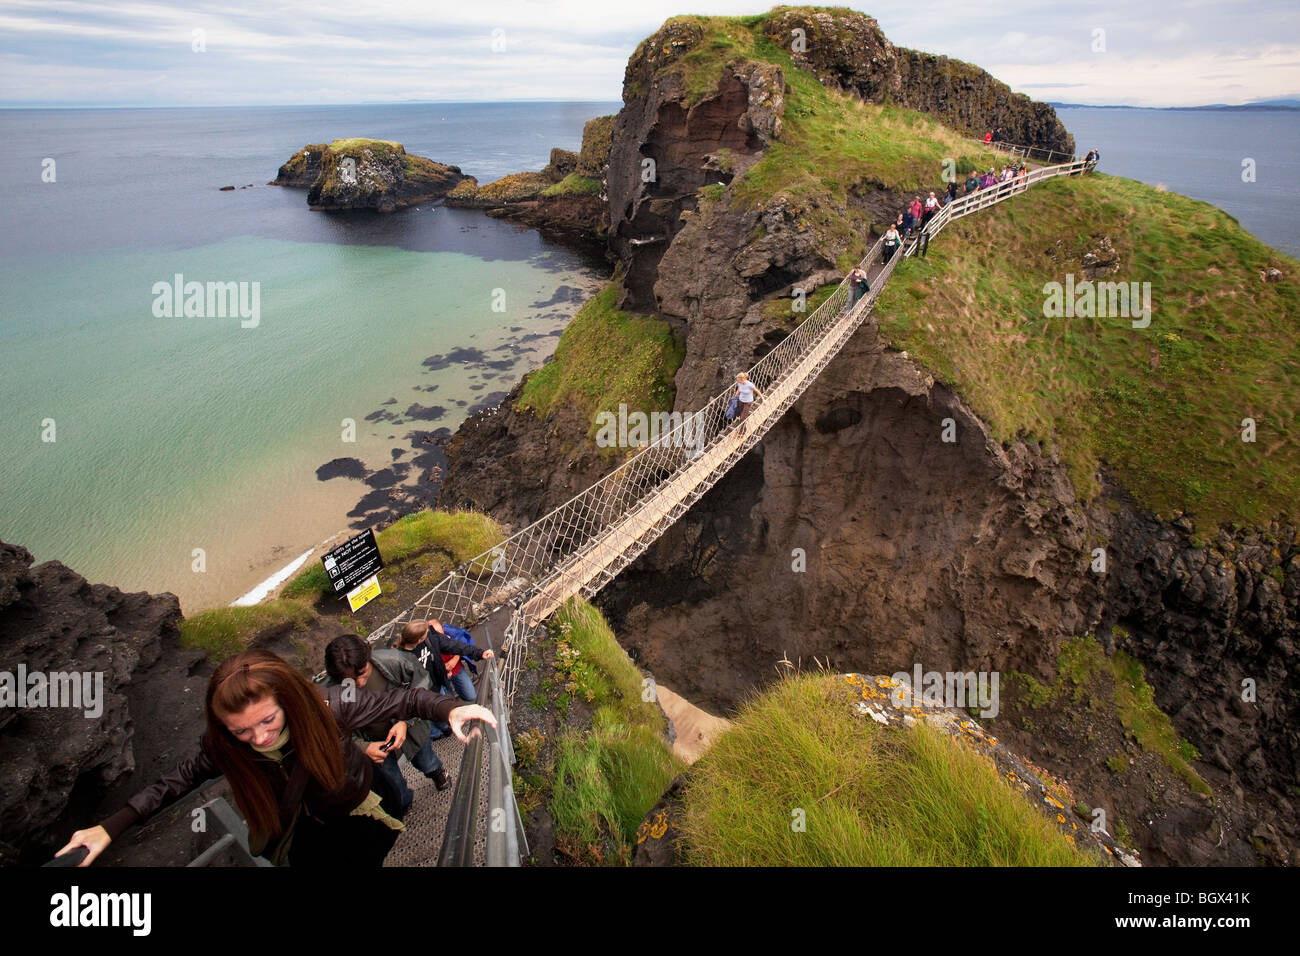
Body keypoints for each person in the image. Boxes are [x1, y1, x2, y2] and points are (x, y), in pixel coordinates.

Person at [56, 648, 495, 868]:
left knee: (370, 849)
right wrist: (110, 828)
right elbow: (176, 780)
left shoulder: (327, 706)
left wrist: (448, 707)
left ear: (288, 700)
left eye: (268, 721)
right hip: (300, 831)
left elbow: (399, 700)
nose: (258, 737)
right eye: (240, 730)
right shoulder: (225, 747)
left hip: (360, 804)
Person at [324, 635, 450, 818]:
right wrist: (363, 747)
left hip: (412, 729)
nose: (359, 683)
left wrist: (404, 722)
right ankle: (404, 802)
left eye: (362, 672)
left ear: (368, 657)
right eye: (350, 680)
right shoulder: (333, 692)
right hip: (373, 742)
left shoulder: (394, 661)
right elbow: (336, 729)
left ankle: (437, 773)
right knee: (391, 780)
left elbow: (422, 684)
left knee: (426, 758)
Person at [394, 618, 493, 710]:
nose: (430, 632)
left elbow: (454, 645)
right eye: (427, 632)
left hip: (440, 681)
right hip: (423, 694)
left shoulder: (431, 638)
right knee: (442, 718)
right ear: (419, 640)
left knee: (454, 703)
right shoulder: (400, 658)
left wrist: (479, 653)